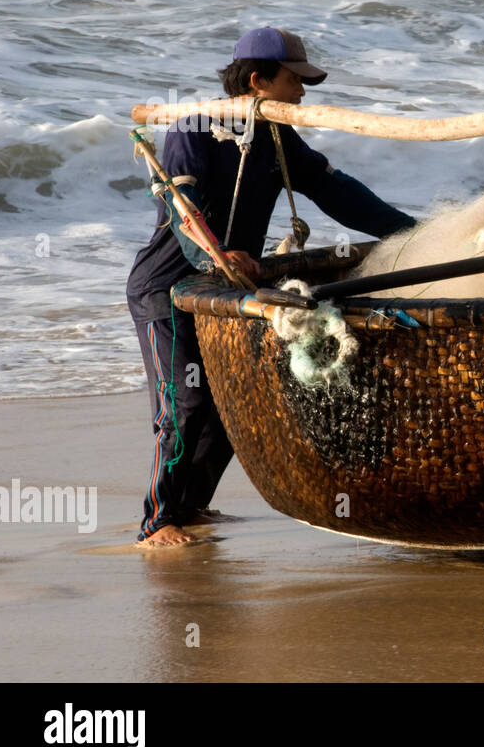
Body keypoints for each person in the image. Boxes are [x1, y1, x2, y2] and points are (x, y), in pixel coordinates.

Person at [125, 27, 417, 547]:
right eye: (294, 82)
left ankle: (191, 508)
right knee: (186, 401)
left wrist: (415, 232)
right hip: (168, 287)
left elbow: (339, 193)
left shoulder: (277, 137)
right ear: (258, 81)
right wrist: (214, 256)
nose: (303, 94)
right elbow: (179, 209)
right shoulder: (193, 127)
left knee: (228, 402)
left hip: (230, 286)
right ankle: (157, 523)